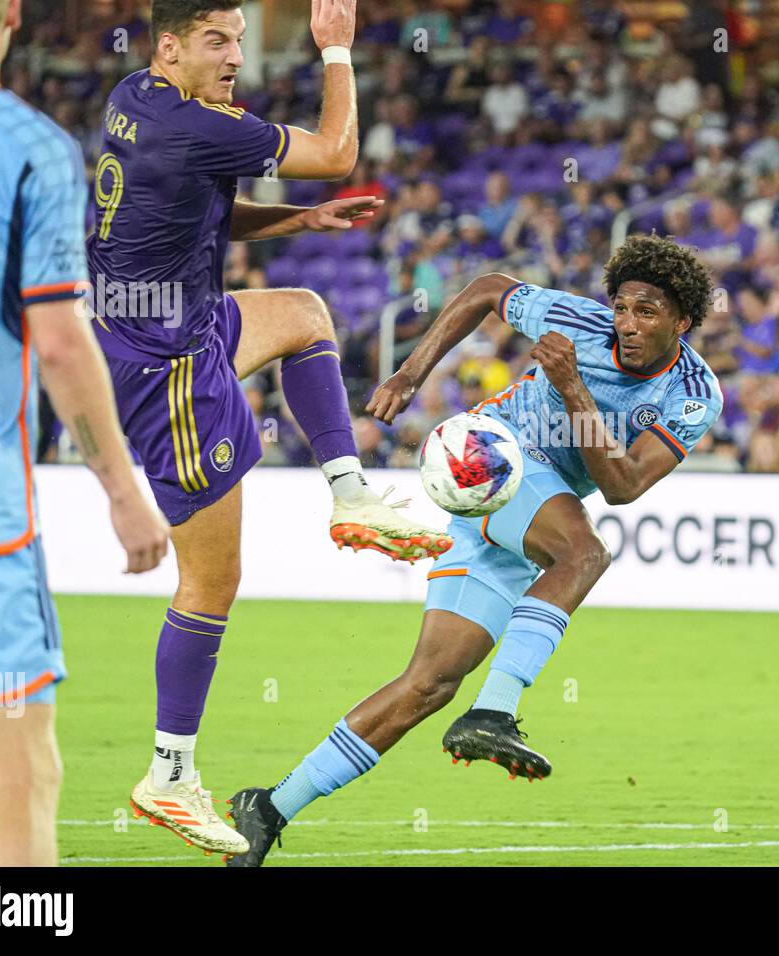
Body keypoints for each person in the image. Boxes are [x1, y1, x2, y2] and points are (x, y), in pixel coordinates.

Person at [224, 236, 723, 866]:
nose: (625, 323)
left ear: (682, 321)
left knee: (427, 686)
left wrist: (573, 389)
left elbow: (622, 486)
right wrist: (412, 371)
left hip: (528, 510)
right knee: (584, 555)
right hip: (487, 455)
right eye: (621, 306)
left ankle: (267, 807)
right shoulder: (576, 319)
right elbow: (488, 287)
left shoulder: (694, 393)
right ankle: (494, 712)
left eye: (646, 312)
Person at [87, 0, 451, 856]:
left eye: (239, 42)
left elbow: (199, 205)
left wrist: (294, 221)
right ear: (169, 46)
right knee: (212, 585)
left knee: (302, 312)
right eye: (215, 42)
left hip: (184, 318)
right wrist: (337, 53)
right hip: (166, 366)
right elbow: (337, 154)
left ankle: (351, 496)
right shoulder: (192, 123)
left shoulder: (138, 97)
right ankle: (168, 775)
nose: (233, 59)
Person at [0, 0, 169, 865]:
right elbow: (61, 343)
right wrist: (123, 491)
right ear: (13, 13)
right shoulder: (30, 149)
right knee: (19, 780)